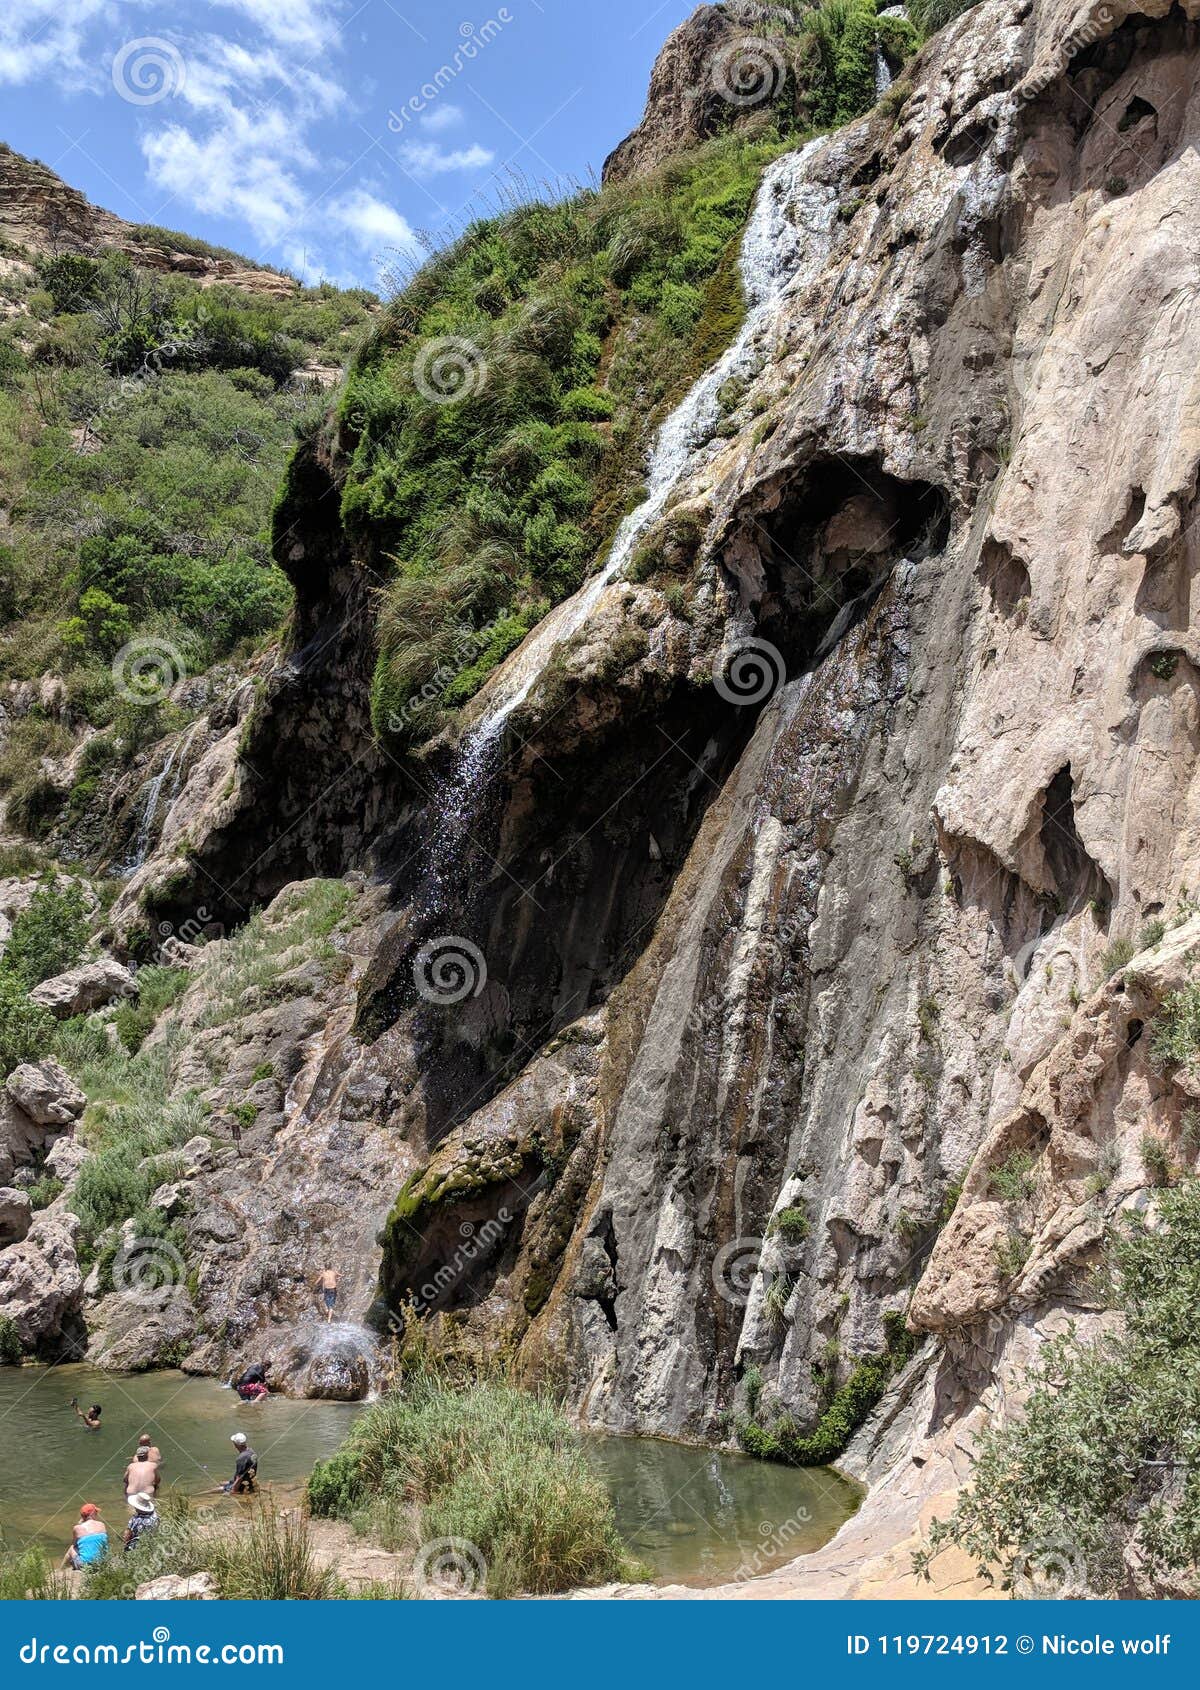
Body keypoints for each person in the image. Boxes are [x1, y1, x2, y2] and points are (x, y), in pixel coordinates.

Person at [61, 1503, 108, 1569]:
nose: (97, 1514)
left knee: (72, 1548)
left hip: (84, 1566)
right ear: (92, 1514)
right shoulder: (102, 1525)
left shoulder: (77, 1528)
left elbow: (74, 1545)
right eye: (96, 1512)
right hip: (103, 1562)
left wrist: (79, 1524)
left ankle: (61, 1568)